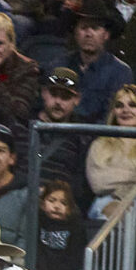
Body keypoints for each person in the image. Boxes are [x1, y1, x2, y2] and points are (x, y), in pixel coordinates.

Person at [17, 68, 90, 211]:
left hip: (58, 208)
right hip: (20, 201)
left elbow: (79, 184)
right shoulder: (22, 126)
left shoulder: (82, 138)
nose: (58, 102)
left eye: (65, 97)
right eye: (54, 94)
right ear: (44, 93)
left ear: (77, 99)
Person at [55, 0, 133, 123]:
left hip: (101, 138)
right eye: (84, 27)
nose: (89, 34)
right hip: (62, 137)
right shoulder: (60, 65)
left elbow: (112, 117)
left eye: (95, 28)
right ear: (75, 32)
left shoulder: (120, 72)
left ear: (106, 35)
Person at [86, 83, 136, 219]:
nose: (125, 110)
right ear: (113, 111)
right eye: (119, 105)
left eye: (133, 105)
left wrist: (117, 178)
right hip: (108, 200)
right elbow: (98, 183)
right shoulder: (100, 144)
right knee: (116, 210)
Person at [35, 178, 86, 270]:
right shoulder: (37, 222)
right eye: (51, 201)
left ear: (70, 208)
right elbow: (37, 250)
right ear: (42, 204)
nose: (57, 206)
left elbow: (76, 254)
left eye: (63, 203)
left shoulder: (76, 225)